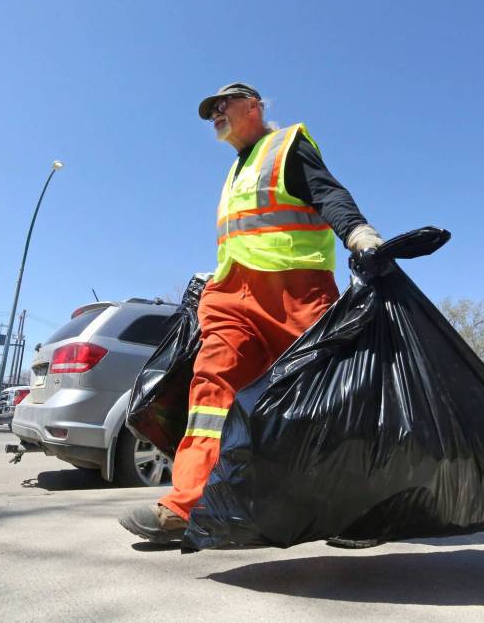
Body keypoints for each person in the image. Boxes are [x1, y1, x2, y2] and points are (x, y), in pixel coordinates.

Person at [119, 82, 384, 543]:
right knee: (210, 391)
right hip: (231, 294)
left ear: (254, 106)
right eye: (210, 112)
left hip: (296, 293)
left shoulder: (286, 146)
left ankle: (355, 508)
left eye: (224, 105)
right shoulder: (235, 171)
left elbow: (328, 194)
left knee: (325, 400)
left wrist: (358, 232)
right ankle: (188, 506)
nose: (216, 114)